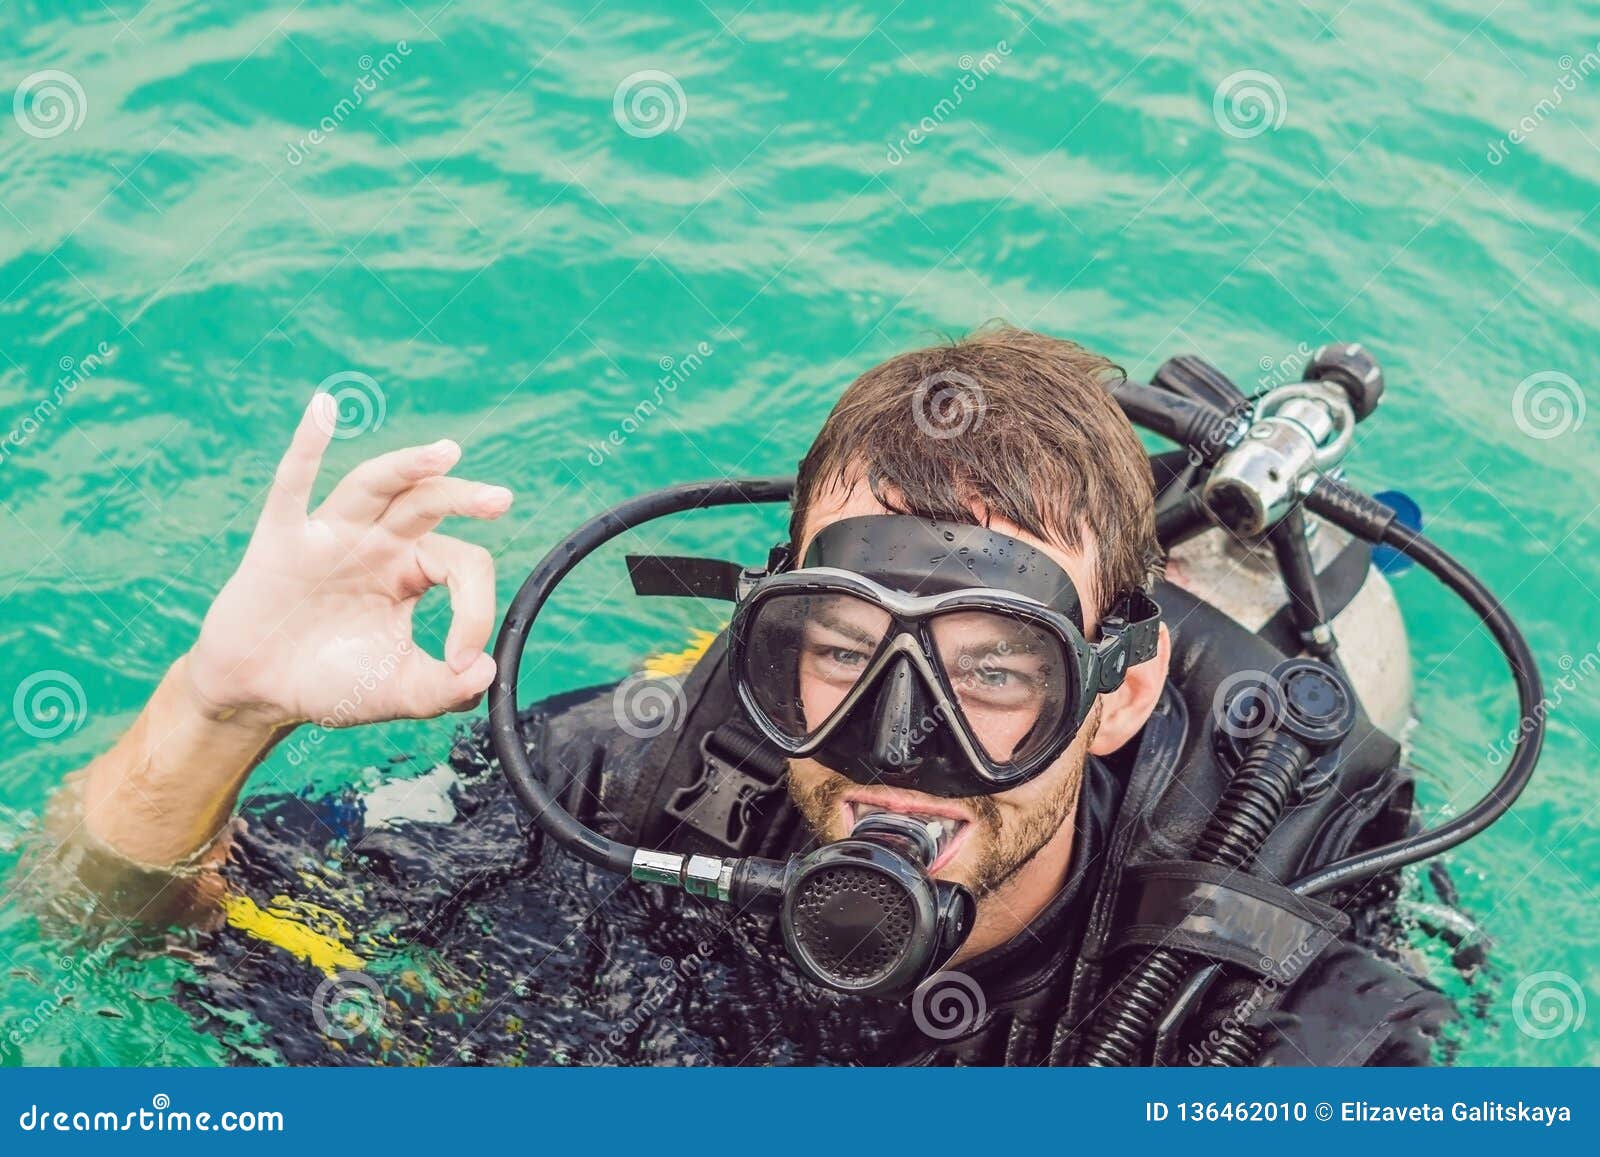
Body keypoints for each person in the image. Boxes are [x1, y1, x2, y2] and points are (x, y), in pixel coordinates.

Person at [26, 326, 1454, 1066]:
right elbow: (86, 923)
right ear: (769, 639)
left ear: (1119, 689)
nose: (905, 747)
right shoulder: (627, 785)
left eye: (996, 672)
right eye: (841, 647)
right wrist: (219, 703)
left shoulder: (1243, 1005)